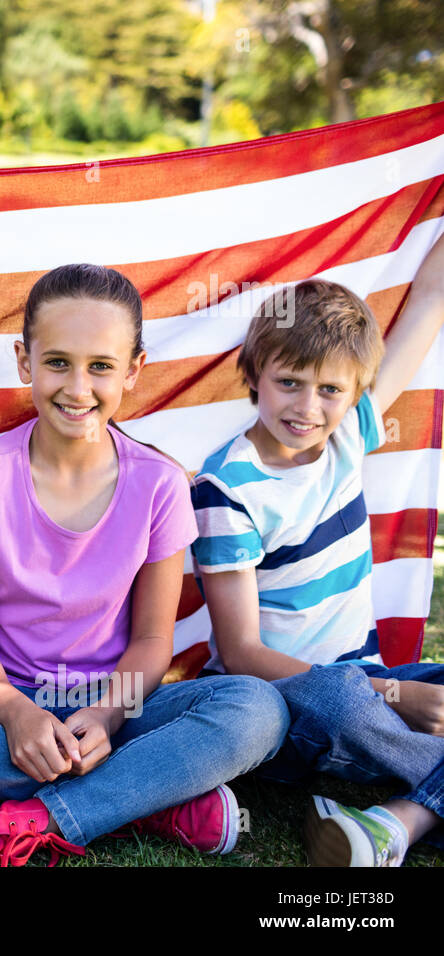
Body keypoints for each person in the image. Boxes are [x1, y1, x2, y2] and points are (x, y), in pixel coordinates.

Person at [0, 263, 289, 867]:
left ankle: (22, 819)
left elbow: (150, 641)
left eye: (101, 367)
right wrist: (14, 712)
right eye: (57, 362)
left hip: (117, 708)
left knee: (256, 709)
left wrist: (107, 717)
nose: (78, 387)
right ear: (23, 361)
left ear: (134, 369)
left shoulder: (161, 485)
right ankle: (150, 800)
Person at [192, 236, 444, 867]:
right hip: (292, 706)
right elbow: (242, 653)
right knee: (343, 696)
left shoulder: (349, 434)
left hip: (369, 679)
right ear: (254, 376)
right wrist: (395, 697)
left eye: (331, 390)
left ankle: (400, 820)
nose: (308, 407)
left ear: (355, 391)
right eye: (289, 383)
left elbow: (432, 299)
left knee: (380, 688)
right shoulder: (227, 490)